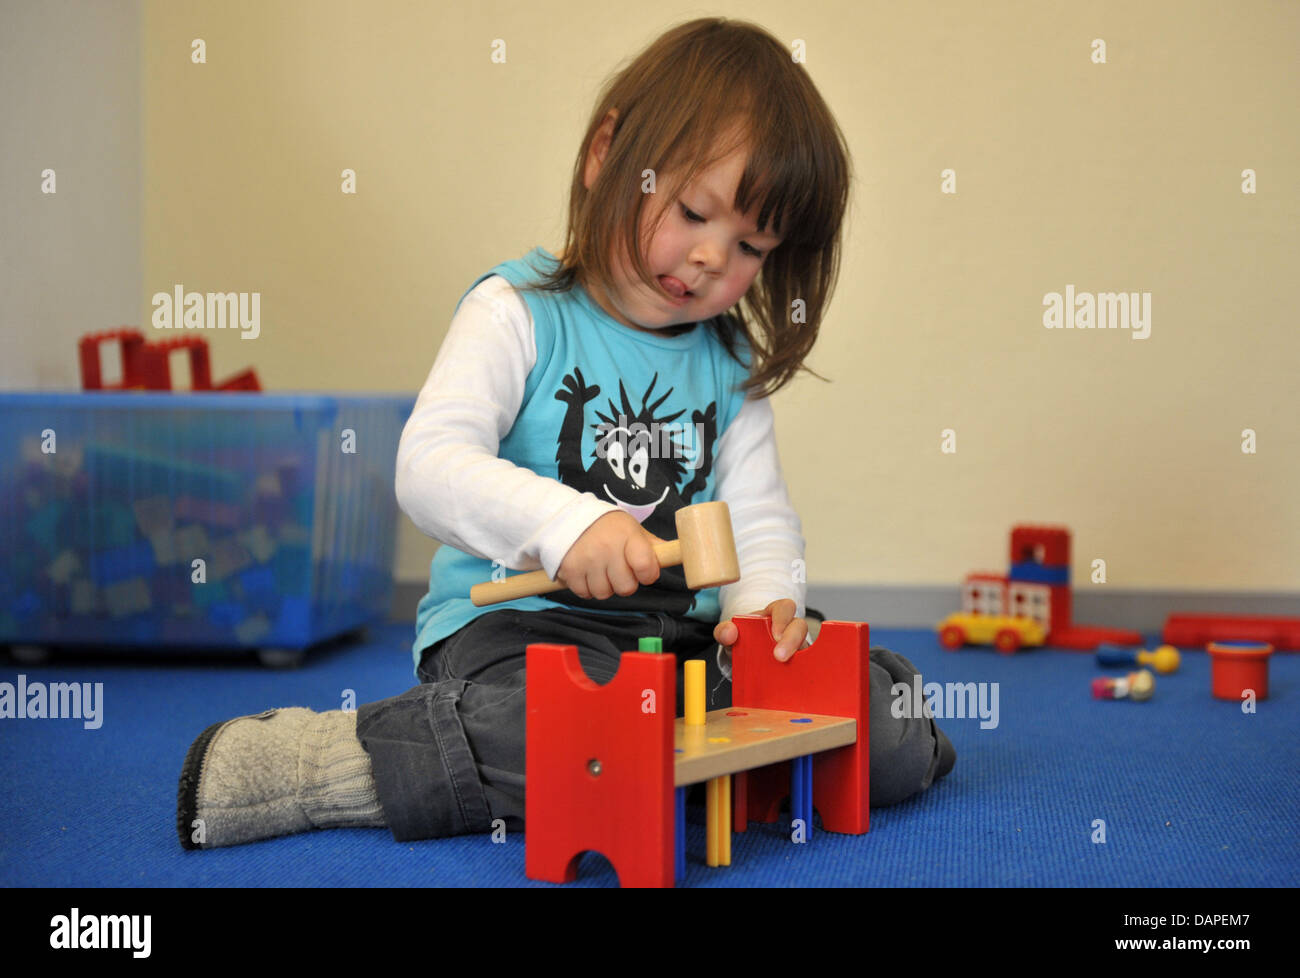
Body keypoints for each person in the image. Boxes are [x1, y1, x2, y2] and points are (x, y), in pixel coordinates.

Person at [176, 17, 954, 852]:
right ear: (605, 154)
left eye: (749, 247)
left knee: (881, 723)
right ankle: (347, 760)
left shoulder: (728, 363)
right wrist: (567, 524)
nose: (708, 260)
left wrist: (766, 614)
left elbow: (759, 521)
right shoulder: (516, 316)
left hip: (682, 645)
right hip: (525, 640)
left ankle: (656, 765)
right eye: (693, 211)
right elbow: (428, 467)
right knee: (548, 731)